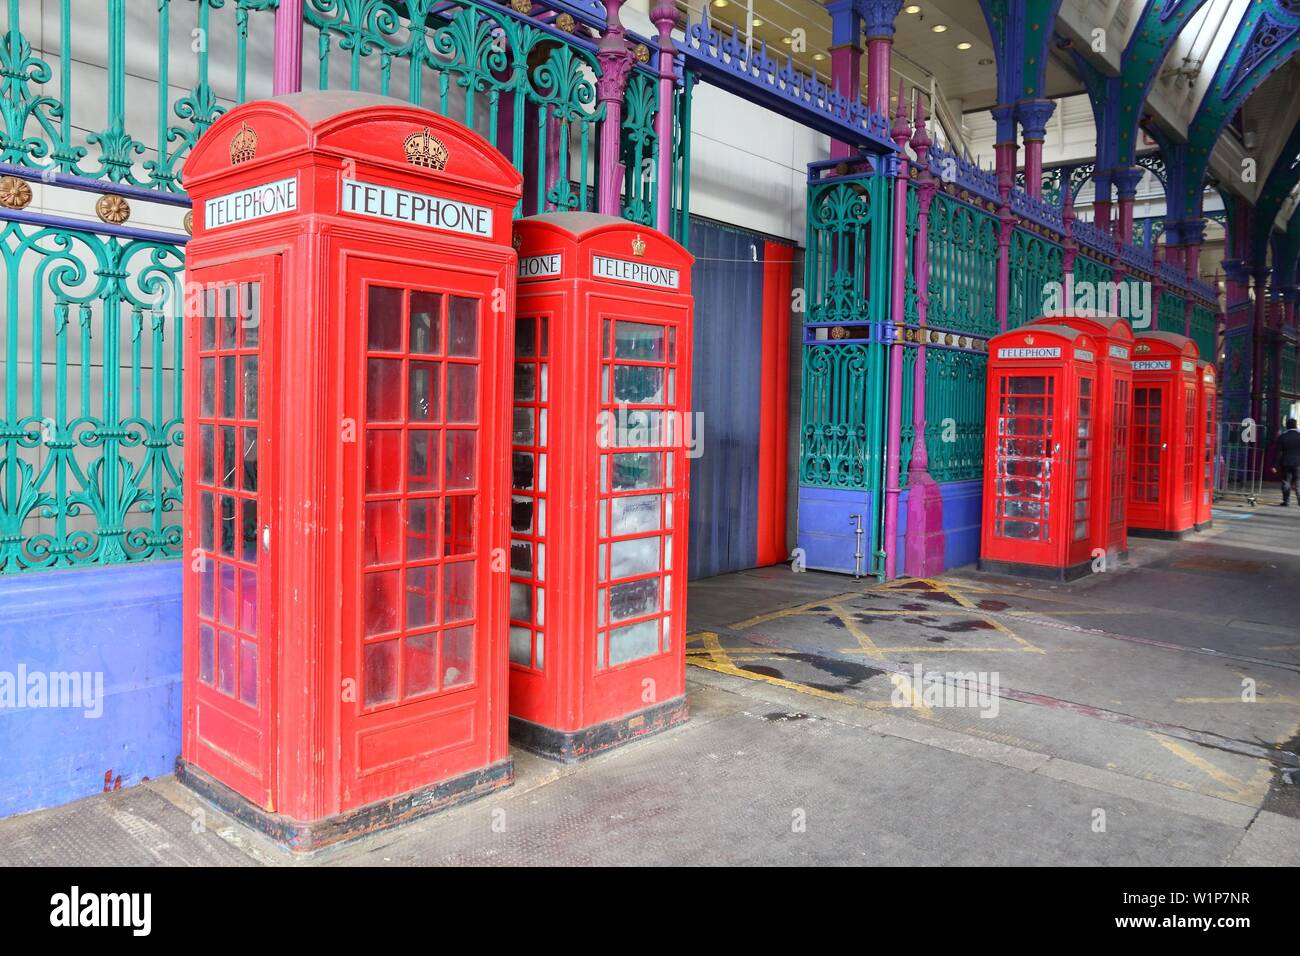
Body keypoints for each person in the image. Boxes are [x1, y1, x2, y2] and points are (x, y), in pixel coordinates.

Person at [1278, 418, 1300, 506]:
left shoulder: (1283, 436)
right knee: (1298, 481)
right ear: (1296, 425)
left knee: (1286, 481)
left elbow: (1278, 452)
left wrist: (1275, 465)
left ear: (1287, 426)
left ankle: (1286, 501)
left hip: (1286, 462)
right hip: (1298, 463)